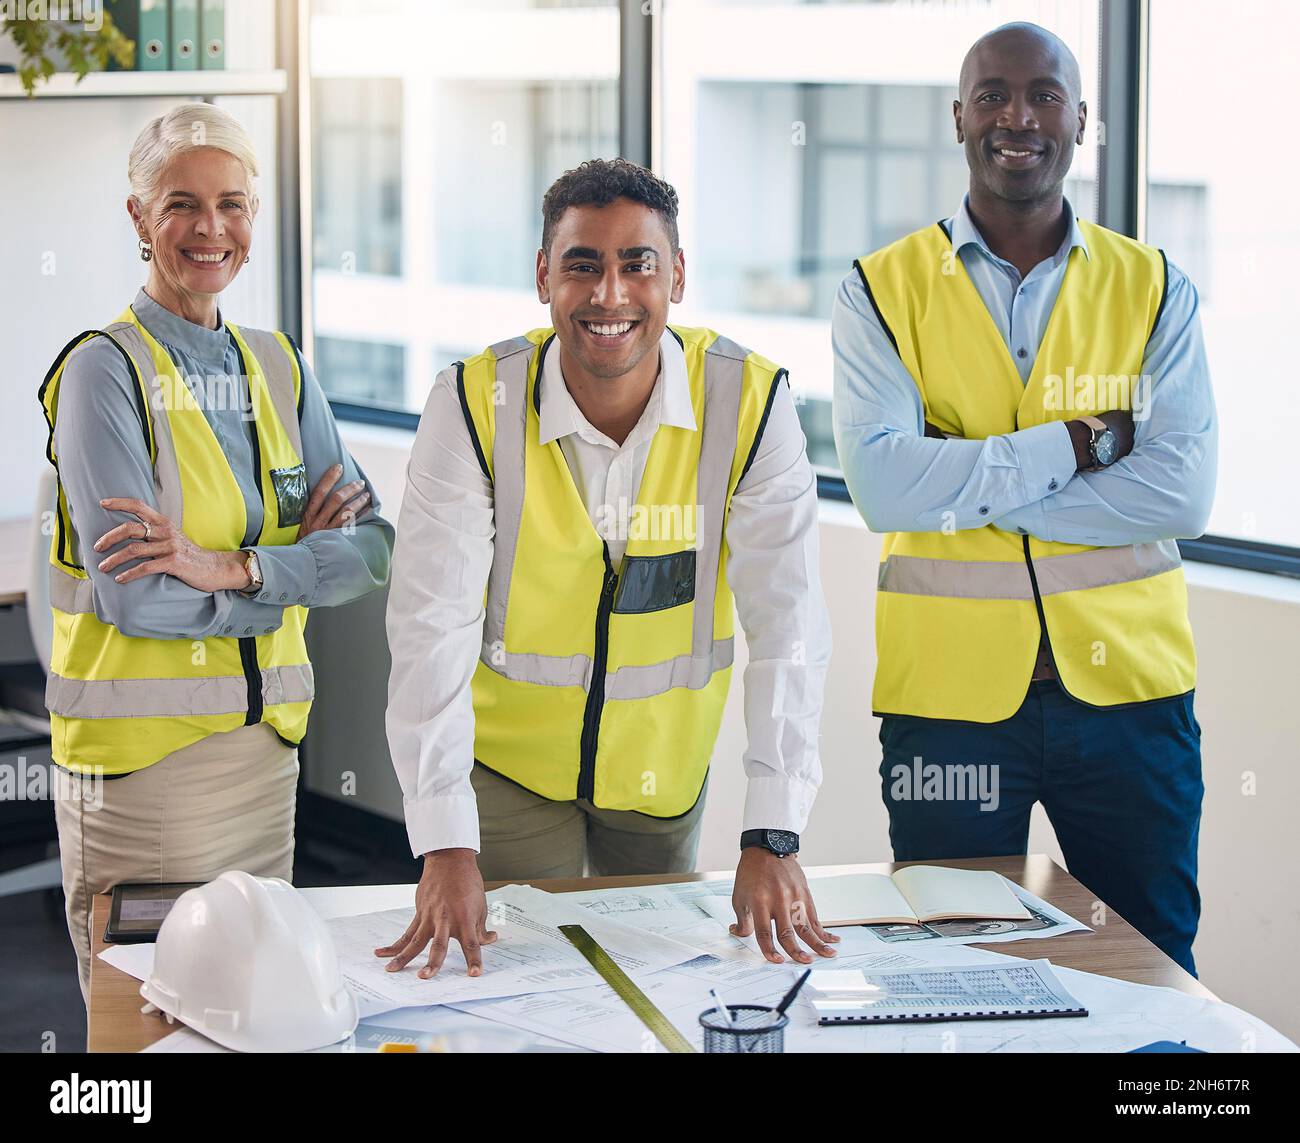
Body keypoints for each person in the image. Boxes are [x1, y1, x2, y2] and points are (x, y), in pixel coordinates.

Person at [380, 158, 838, 977]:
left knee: (652, 991)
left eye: (640, 264)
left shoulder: (752, 403)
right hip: (510, 778)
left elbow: (790, 626)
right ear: (543, 277)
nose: (610, 294)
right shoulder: (472, 403)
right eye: (582, 264)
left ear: (679, 276)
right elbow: (429, 627)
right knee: (514, 995)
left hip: (661, 781)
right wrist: (444, 839)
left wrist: (773, 830)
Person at [832, 23, 1216, 975]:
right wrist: (1079, 446)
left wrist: (965, 484)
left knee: (1154, 966)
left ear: (1081, 118)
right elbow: (882, 485)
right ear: (958, 116)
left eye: (1045, 94)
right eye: (994, 94)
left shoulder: (1155, 287)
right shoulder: (878, 291)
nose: (1019, 116)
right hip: (949, 706)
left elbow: (1183, 487)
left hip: (1130, 701)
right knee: (957, 973)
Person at [41, 104, 393, 1000]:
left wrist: (233, 567)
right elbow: (139, 601)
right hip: (146, 778)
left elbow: (374, 550)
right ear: (137, 218)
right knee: (153, 1025)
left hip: (267, 757)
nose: (211, 228)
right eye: (181, 204)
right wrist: (298, 571)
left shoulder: (280, 366)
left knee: (256, 1011)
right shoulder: (103, 372)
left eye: (232, 203)